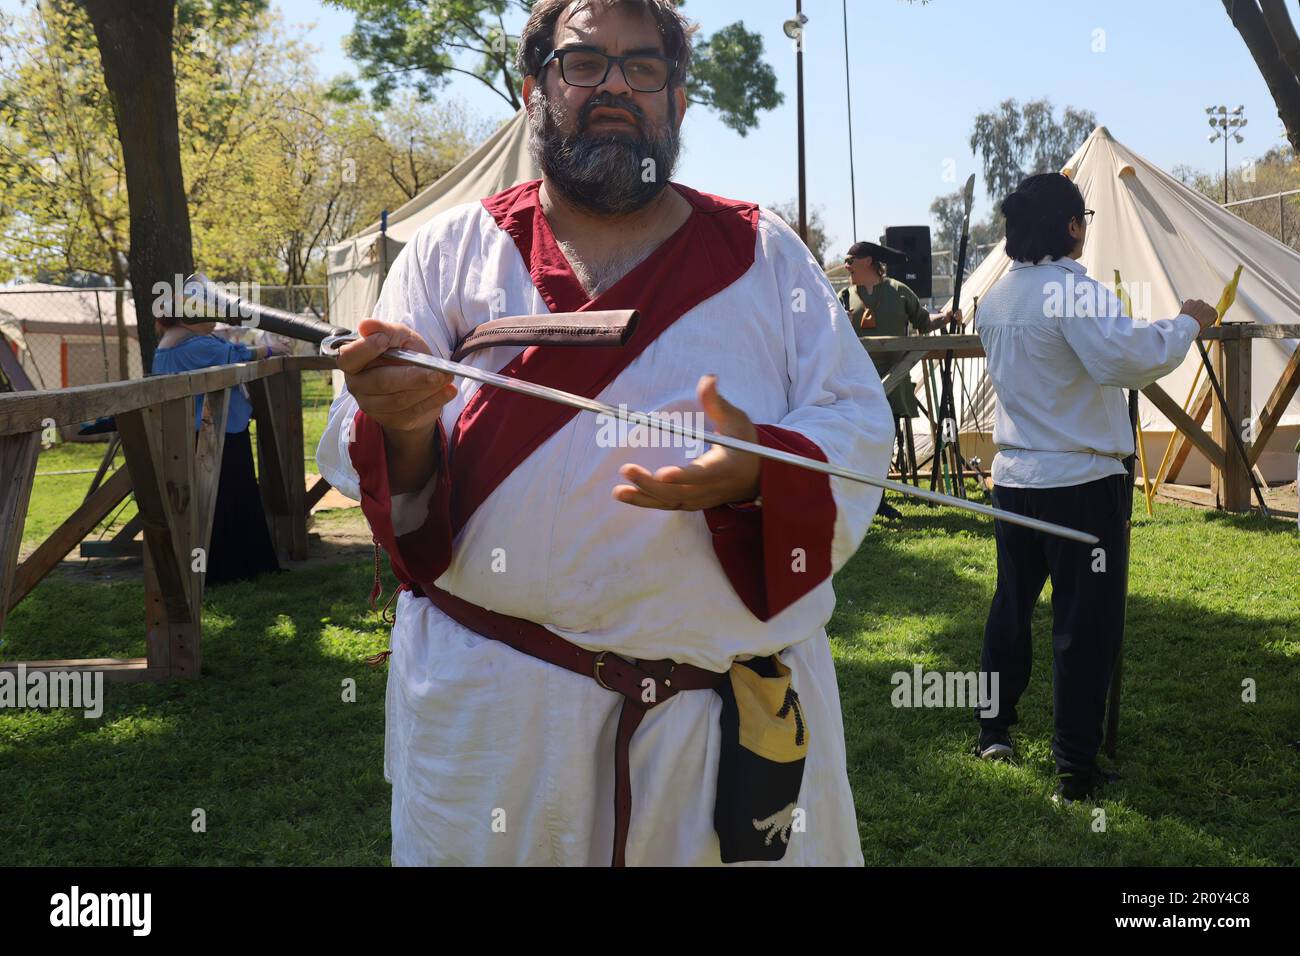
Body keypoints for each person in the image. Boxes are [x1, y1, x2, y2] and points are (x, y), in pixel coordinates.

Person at [315, 0, 894, 866]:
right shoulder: (448, 252)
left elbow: (854, 422)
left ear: (679, 102)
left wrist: (764, 475)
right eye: (584, 63)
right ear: (534, 89)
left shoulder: (766, 254)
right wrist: (401, 423)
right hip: (501, 728)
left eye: (645, 68)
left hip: (717, 728)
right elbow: (381, 459)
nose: (616, 85)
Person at [973, 172, 1217, 802]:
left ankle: (994, 728)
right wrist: (1186, 323)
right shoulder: (1071, 295)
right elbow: (1128, 358)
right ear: (1072, 227)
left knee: (1012, 607)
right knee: (1084, 625)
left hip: (1016, 479)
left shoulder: (995, 299)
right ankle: (1075, 767)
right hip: (1079, 482)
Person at [152, 317, 282, 585]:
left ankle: (237, 567)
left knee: (226, 497)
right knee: (226, 499)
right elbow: (236, 354)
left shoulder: (181, 340)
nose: (215, 319)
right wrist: (272, 349)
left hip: (215, 427)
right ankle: (231, 569)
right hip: (215, 430)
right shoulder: (195, 345)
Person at [841, 240, 958, 520]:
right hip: (857, 384)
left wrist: (947, 316)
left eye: (850, 261)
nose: (847, 267)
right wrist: (839, 322)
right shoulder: (844, 295)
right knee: (855, 443)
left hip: (893, 384)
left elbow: (924, 322)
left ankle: (877, 501)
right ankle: (856, 501)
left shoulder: (898, 291)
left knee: (883, 443)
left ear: (868, 261)